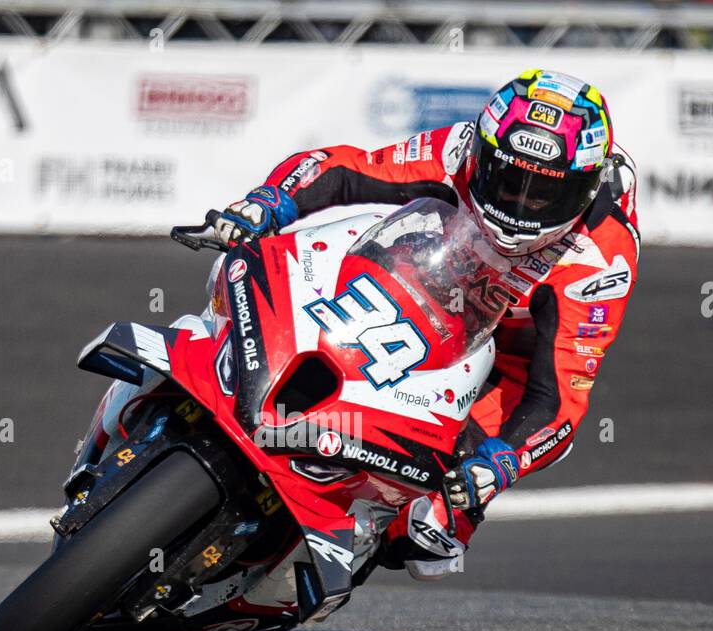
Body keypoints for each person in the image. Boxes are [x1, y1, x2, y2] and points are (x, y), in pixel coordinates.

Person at [212, 68, 640, 579]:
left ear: (585, 190)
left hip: (505, 358)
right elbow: (347, 168)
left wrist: (502, 463)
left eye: (542, 194)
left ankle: (328, 541)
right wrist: (268, 202)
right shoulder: (458, 150)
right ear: (483, 154)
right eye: (506, 179)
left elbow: (559, 404)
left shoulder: (601, 260)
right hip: (430, 277)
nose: (517, 204)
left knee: (427, 534)